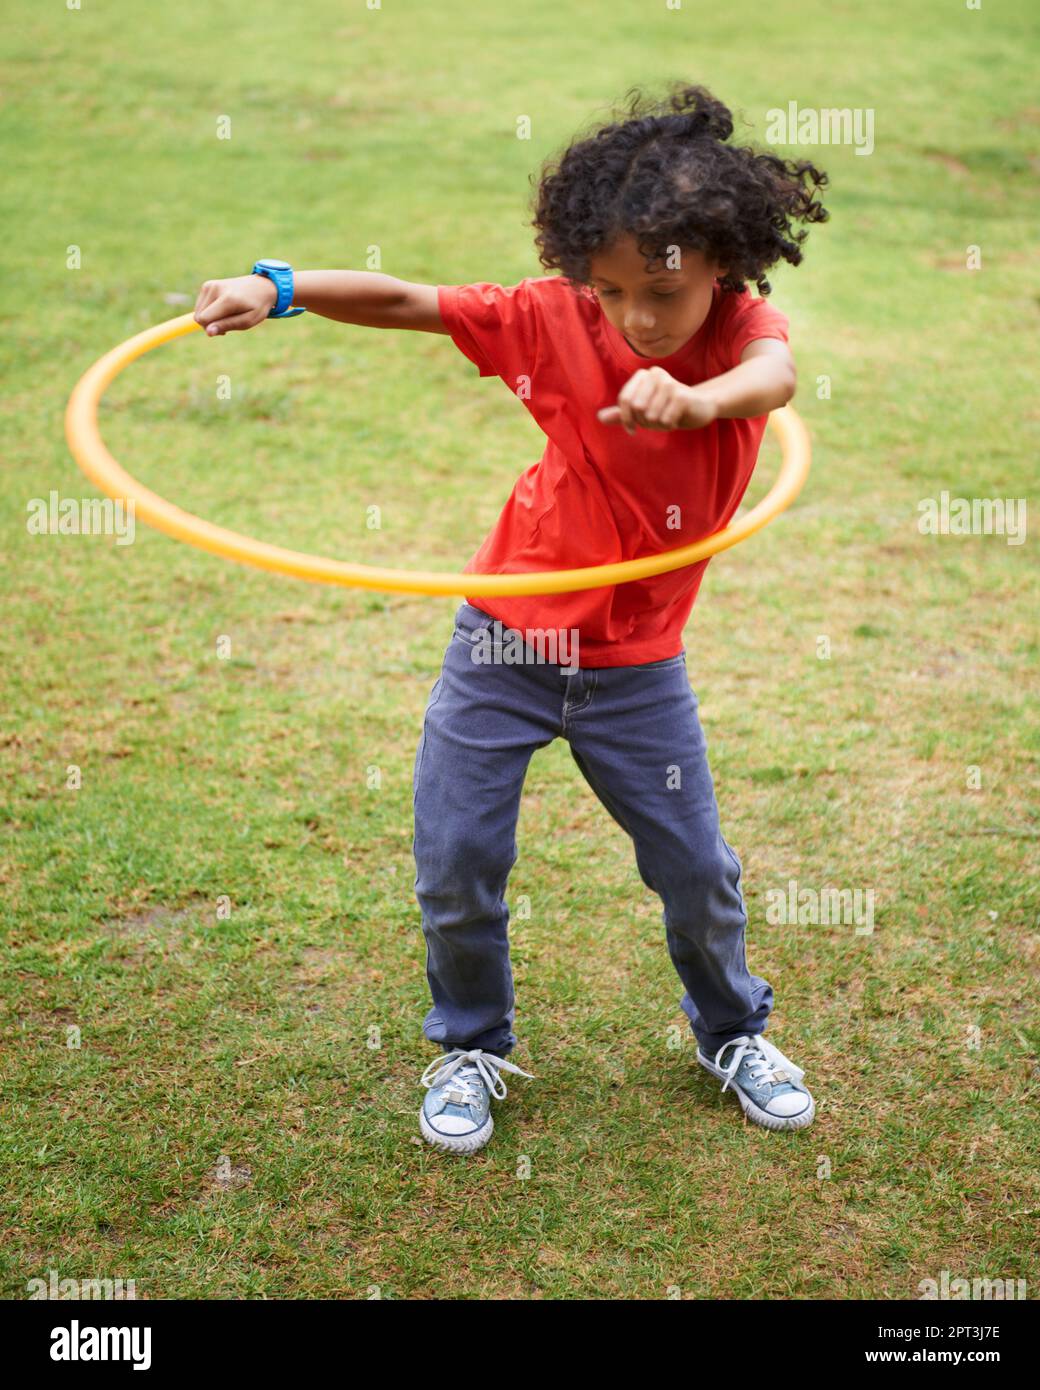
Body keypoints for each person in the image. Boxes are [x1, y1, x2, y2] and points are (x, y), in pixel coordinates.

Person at [193, 81, 830, 1156]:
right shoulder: (552, 318)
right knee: (456, 857)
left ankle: (731, 1029)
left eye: (662, 293)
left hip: (636, 665)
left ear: (723, 261)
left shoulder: (738, 337)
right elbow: (411, 302)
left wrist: (699, 398)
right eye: (611, 287)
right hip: (505, 637)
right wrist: (278, 284)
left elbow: (776, 375)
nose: (635, 318)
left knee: (695, 869)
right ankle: (472, 1043)